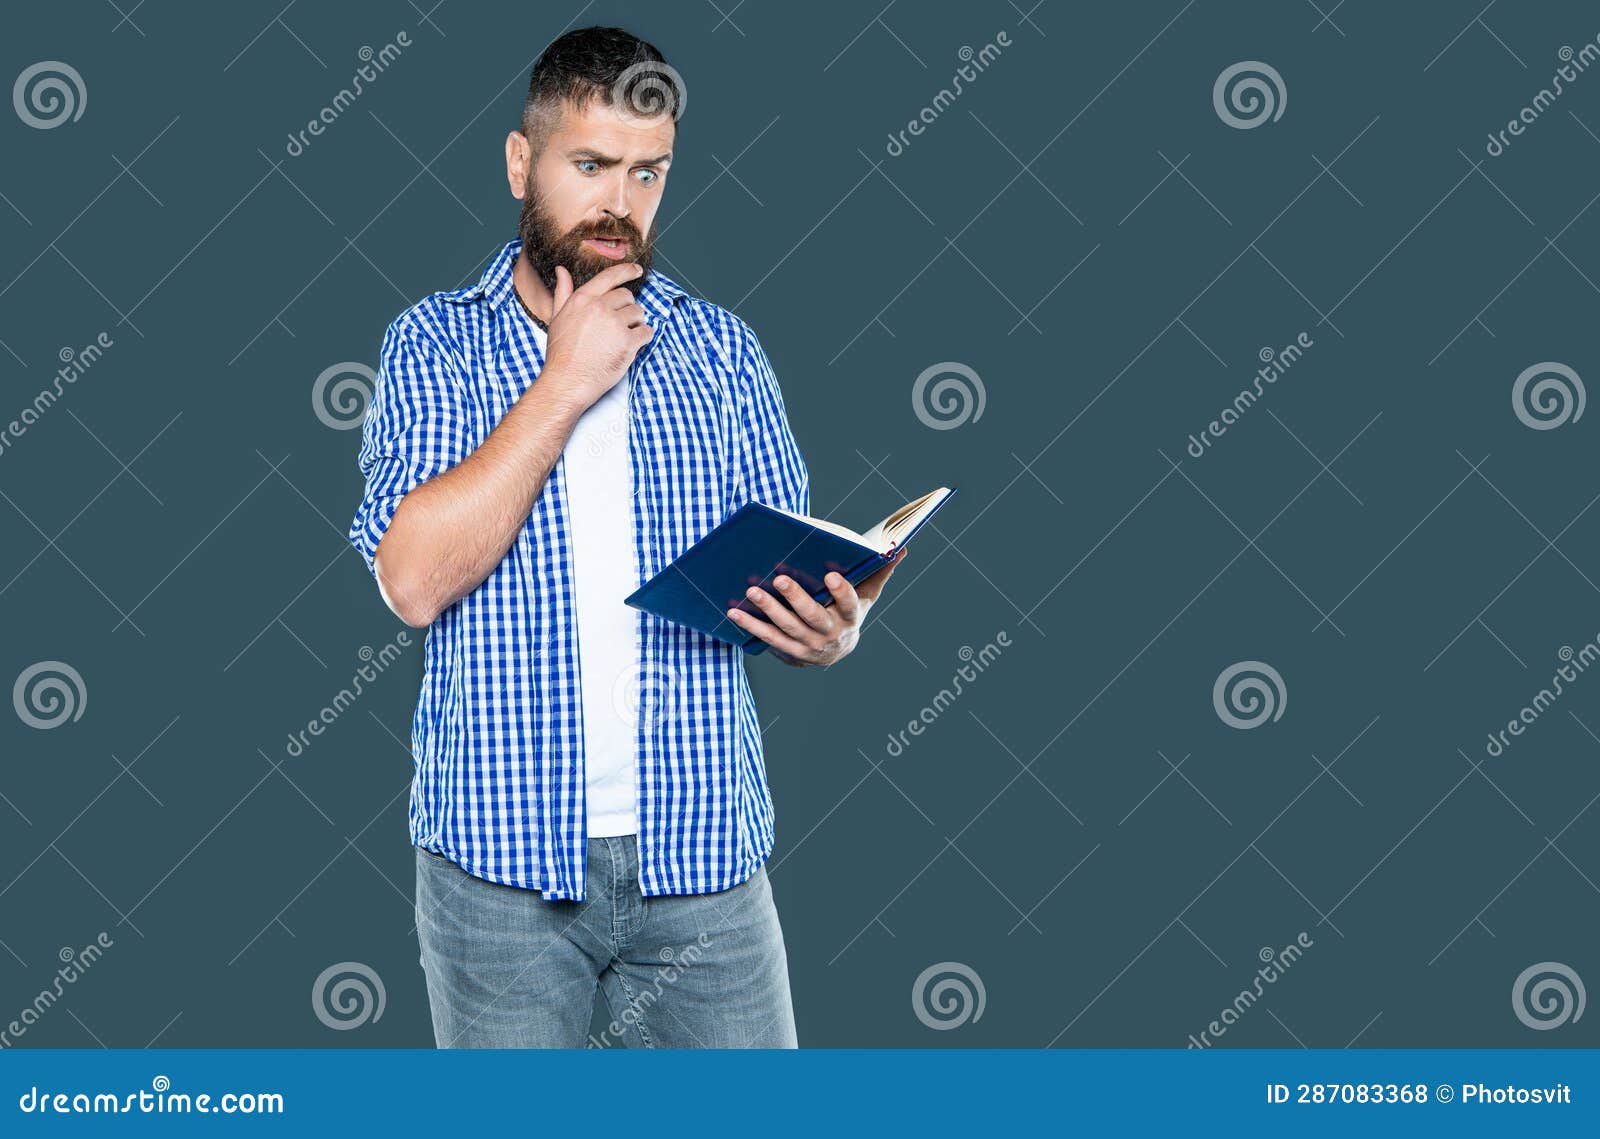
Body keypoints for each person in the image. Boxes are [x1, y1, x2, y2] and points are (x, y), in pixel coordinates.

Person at [346, 25, 906, 1048]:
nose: (620, 203)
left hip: (704, 861)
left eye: (648, 172)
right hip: (499, 865)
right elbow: (412, 580)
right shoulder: (435, 341)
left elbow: (782, 566)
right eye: (591, 165)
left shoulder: (722, 350)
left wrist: (829, 628)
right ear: (523, 163)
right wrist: (565, 380)